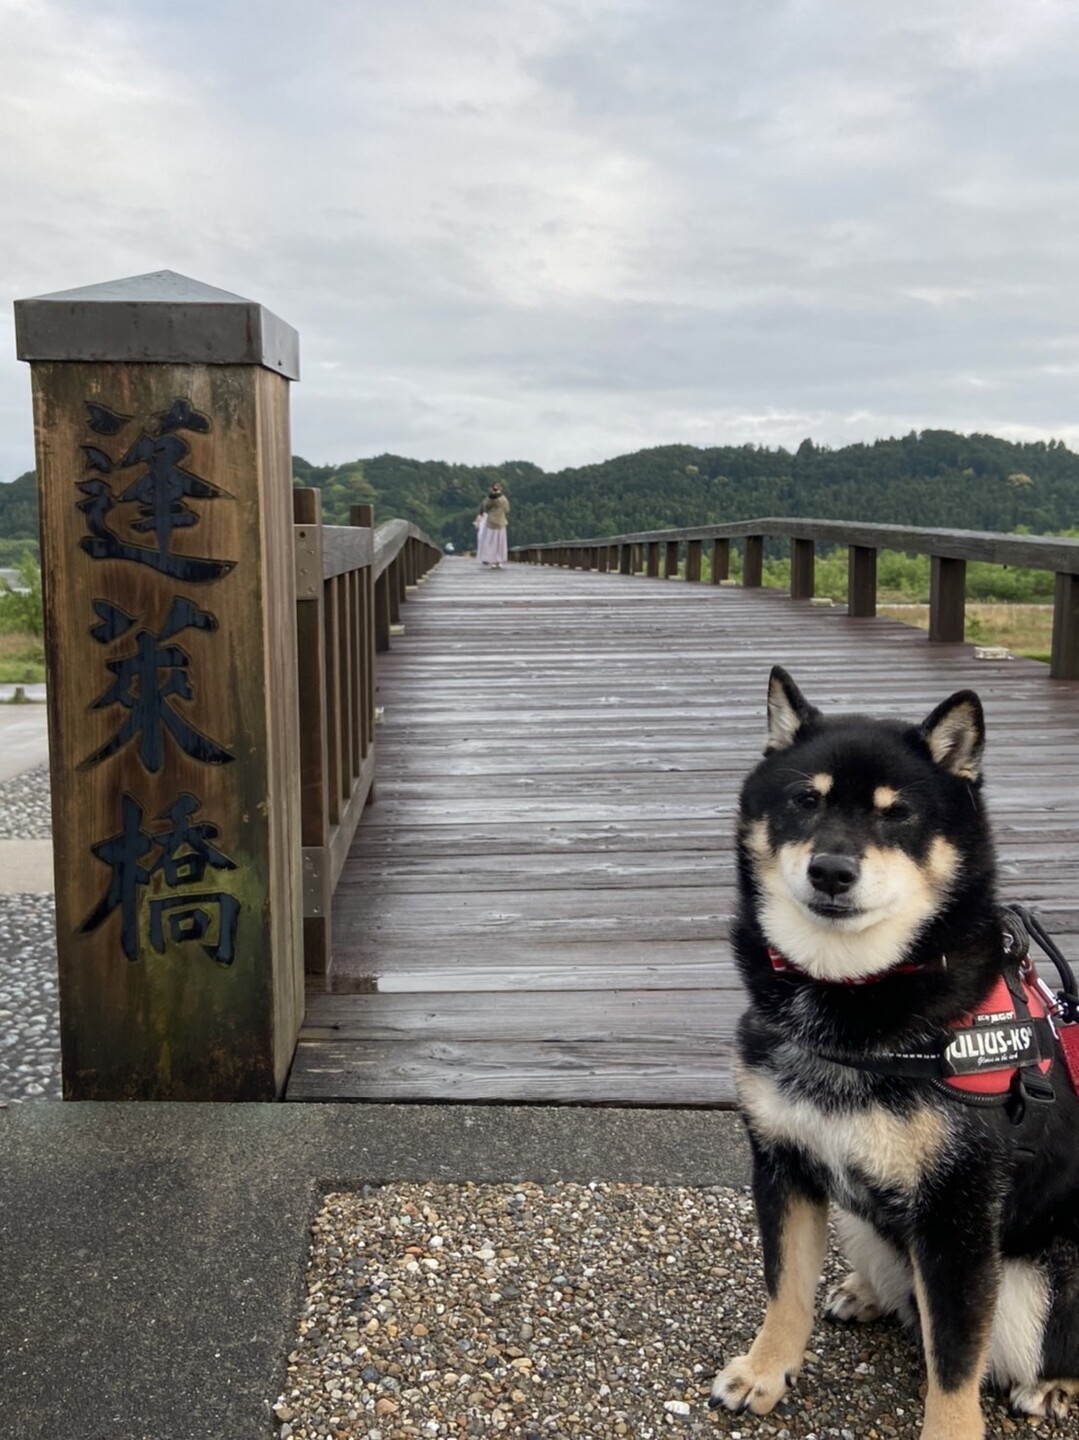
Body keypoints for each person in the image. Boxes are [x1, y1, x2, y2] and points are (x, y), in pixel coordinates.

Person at [475, 482, 510, 568]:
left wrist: (492, 497)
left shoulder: (489, 499)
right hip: (500, 523)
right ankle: (498, 560)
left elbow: (485, 507)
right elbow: (507, 509)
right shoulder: (504, 499)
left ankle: (494, 560)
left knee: (491, 543)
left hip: (491, 523)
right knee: (499, 543)